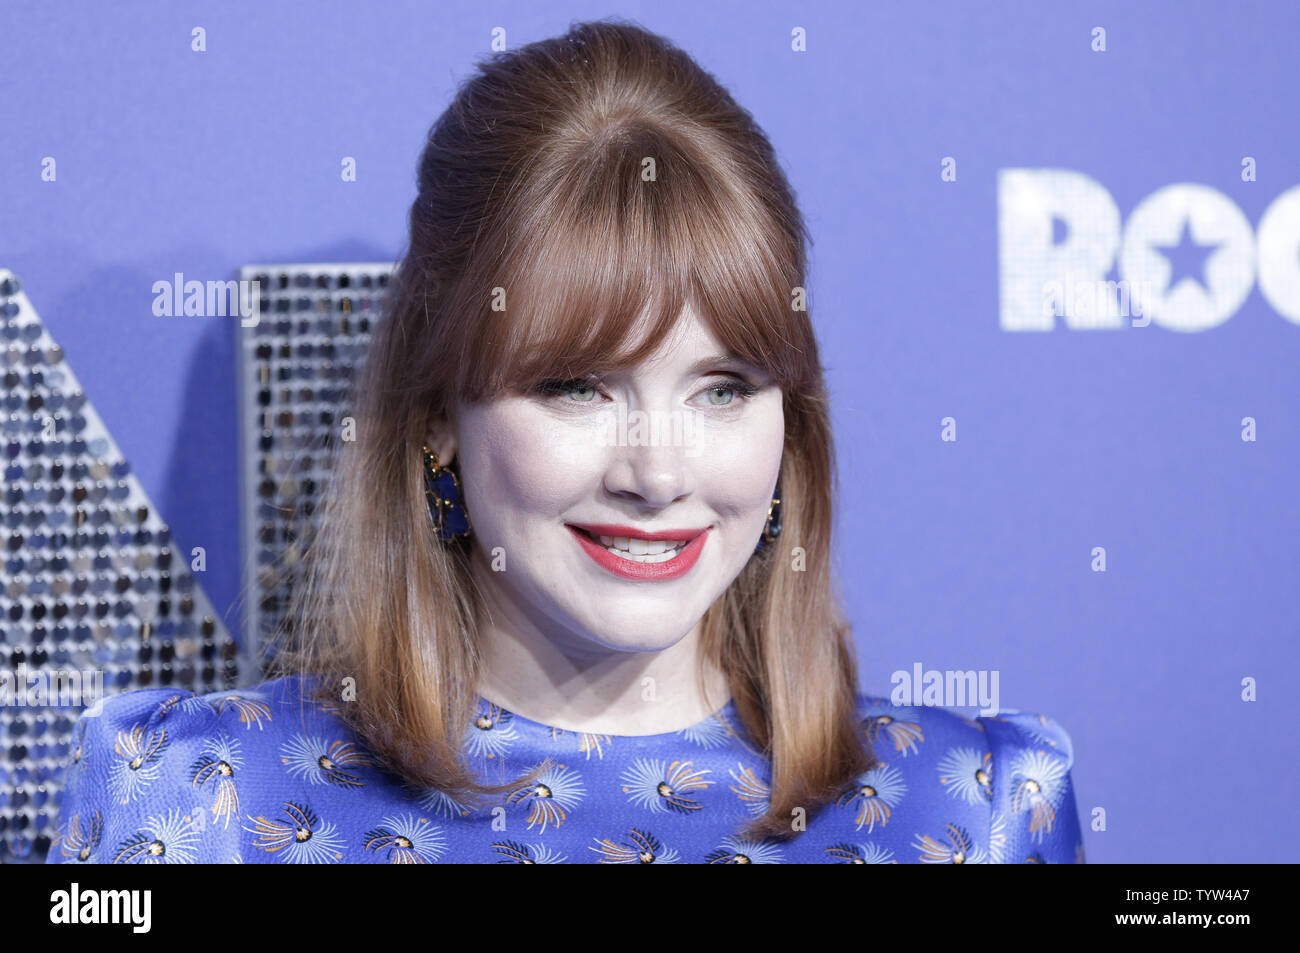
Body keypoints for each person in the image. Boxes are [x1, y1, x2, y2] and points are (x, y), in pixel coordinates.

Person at [46, 18, 1084, 864]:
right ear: (438, 419)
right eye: (578, 386)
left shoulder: (979, 809)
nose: (659, 470)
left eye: (722, 388)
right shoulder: (201, 801)